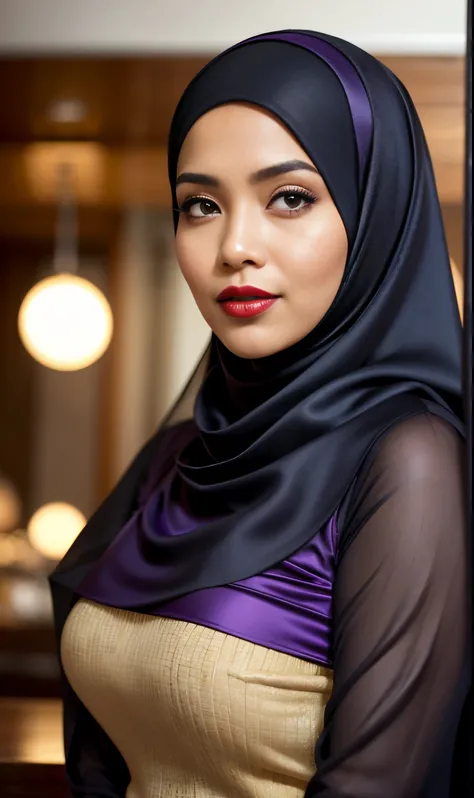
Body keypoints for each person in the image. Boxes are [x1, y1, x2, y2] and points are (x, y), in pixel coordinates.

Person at [49, 30, 469, 797]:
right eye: (201, 205)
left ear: (376, 216)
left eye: (291, 197)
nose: (235, 246)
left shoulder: (409, 462)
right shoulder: (179, 456)